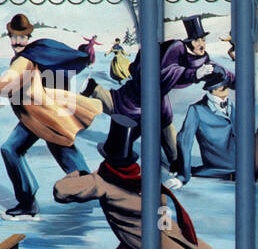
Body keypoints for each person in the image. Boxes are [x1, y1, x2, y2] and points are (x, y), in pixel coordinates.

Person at [0, 13, 103, 219]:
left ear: (28, 38)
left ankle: (27, 202)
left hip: (37, 115)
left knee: (11, 148)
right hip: (41, 113)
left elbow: (3, 87)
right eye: (14, 37)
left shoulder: (24, 60)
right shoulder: (33, 54)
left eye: (22, 37)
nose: (17, 41)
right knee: (60, 142)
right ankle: (90, 187)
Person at [88, 15, 215, 183]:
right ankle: (92, 89)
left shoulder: (201, 57)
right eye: (198, 40)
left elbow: (192, 72)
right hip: (142, 90)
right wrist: (193, 74)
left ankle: (175, 163)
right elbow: (167, 72)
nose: (202, 44)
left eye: (203, 40)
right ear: (189, 41)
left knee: (165, 125)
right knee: (122, 109)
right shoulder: (176, 48)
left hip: (158, 98)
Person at [52, 159, 228, 249]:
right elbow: (62, 192)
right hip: (167, 241)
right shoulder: (137, 176)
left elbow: (61, 190)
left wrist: (79, 174)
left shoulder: (102, 181)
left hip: (161, 244)